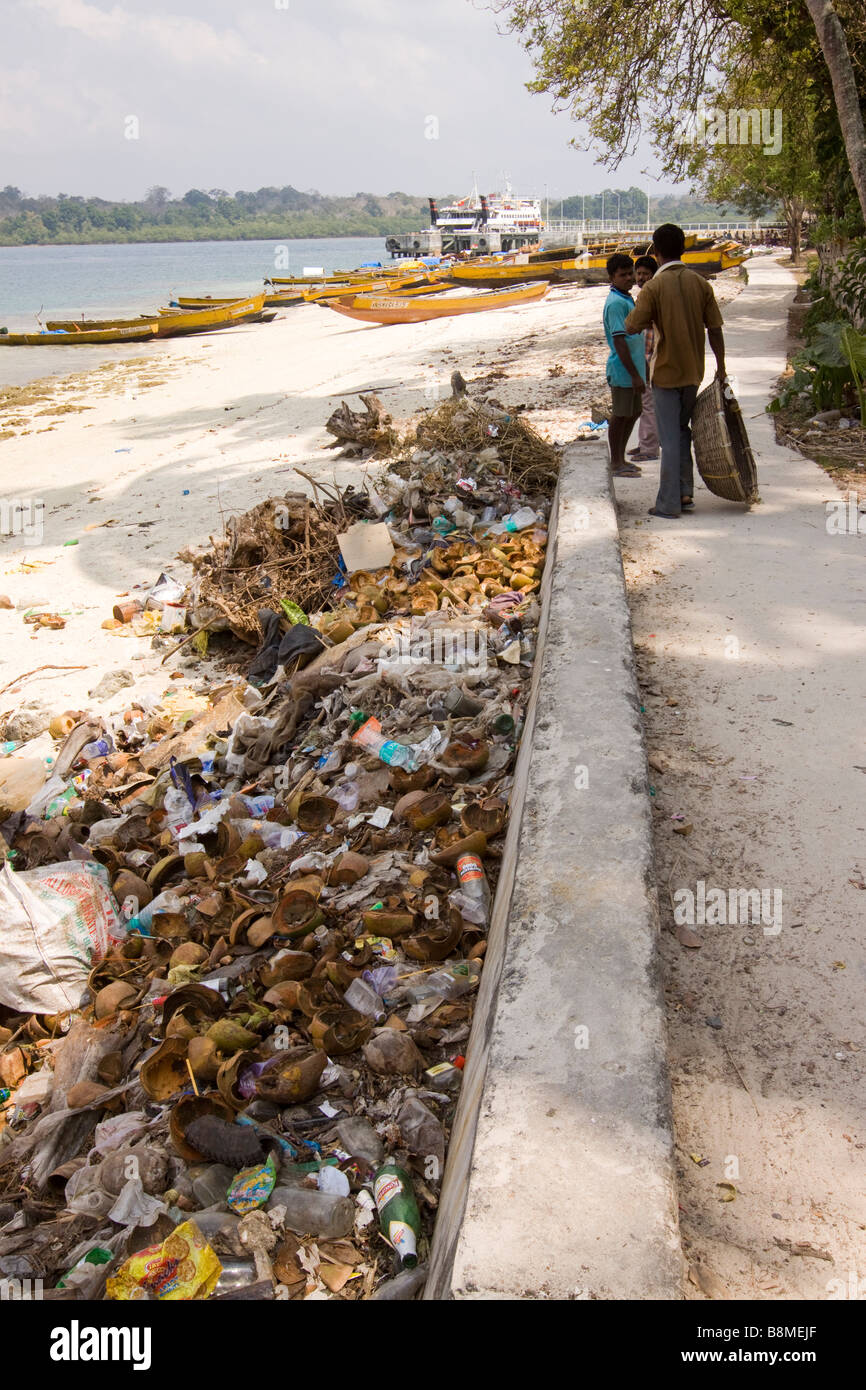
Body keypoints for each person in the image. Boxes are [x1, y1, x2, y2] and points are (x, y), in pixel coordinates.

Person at [625, 223, 727, 518]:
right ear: (684, 248)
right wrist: (721, 367)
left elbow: (632, 324)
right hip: (694, 369)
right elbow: (715, 329)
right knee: (682, 433)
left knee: (668, 439)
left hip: (666, 373)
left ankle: (668, 503)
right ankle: (684, 492)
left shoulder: (654, 287)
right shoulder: (700, 283)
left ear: (656, 252)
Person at [602, 252, 645, 478]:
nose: (629, 278)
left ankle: (620, 458)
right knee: (620, 415)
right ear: (612, 277)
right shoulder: (616, 303)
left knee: (634, 412)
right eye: (623, 275)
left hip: (635, 368)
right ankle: (616, 461)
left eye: (631, 274)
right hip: (623, 369)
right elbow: (619, 340)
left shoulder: (627, 298)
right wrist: (635, 375)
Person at [627, 254, 659, 462]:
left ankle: (649, 448)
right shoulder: (645, 295)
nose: (640, 278)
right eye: (638, 274)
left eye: (645, 274)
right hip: (645, 355)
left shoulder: (651, 295)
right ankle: (645, 443)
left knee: (648, 404)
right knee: (646, 403)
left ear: (653, 275)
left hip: (651, 356)